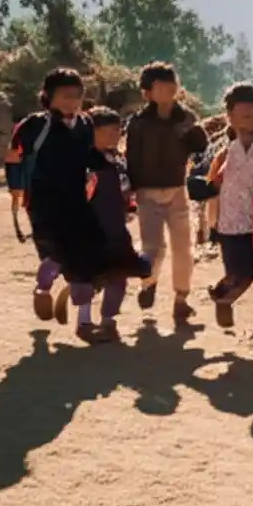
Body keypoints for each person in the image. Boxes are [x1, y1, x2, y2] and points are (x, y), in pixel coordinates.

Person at [5, 68, 111, 335]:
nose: (71, 102)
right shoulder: (33, 127)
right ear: (48, 96)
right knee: (56, 254)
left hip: (76, 200)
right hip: (43, 204)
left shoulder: (85, 124)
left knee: (86, 260)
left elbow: (88, 156)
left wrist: (107, 162)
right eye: (65, 96)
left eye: (76, 96)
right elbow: (13, 157)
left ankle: (85, 322)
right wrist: (16, 189)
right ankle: (43, 288)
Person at [125, 62, 210, 323]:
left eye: (172, 86)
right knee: (155, 247)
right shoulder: (138, 124)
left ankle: (181, 300)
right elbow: (132, 159)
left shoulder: (186, 117)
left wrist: (190, 131)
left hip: (177, 189)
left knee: (184, 248)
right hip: (147, 191)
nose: (168, 91)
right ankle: (148, 282)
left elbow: (201, 146)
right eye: (160, 87)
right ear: (147, 93)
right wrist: (132, 189)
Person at [71, 106, 152, 343]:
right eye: (103, 132)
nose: (111, 136)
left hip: (116, 231)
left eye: (115, 131)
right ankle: (84, 322)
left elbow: (128, 193)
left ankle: (108, 321)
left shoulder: (119, 163)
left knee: (118, 277)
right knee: (85, 278)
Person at [205, 83, 253, 331]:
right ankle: (224, 297)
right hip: (231, 226)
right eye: (246, 116)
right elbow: (212, 184)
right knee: (239, 276)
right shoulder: (224, 153)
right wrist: (209, 223)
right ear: (231, 117)